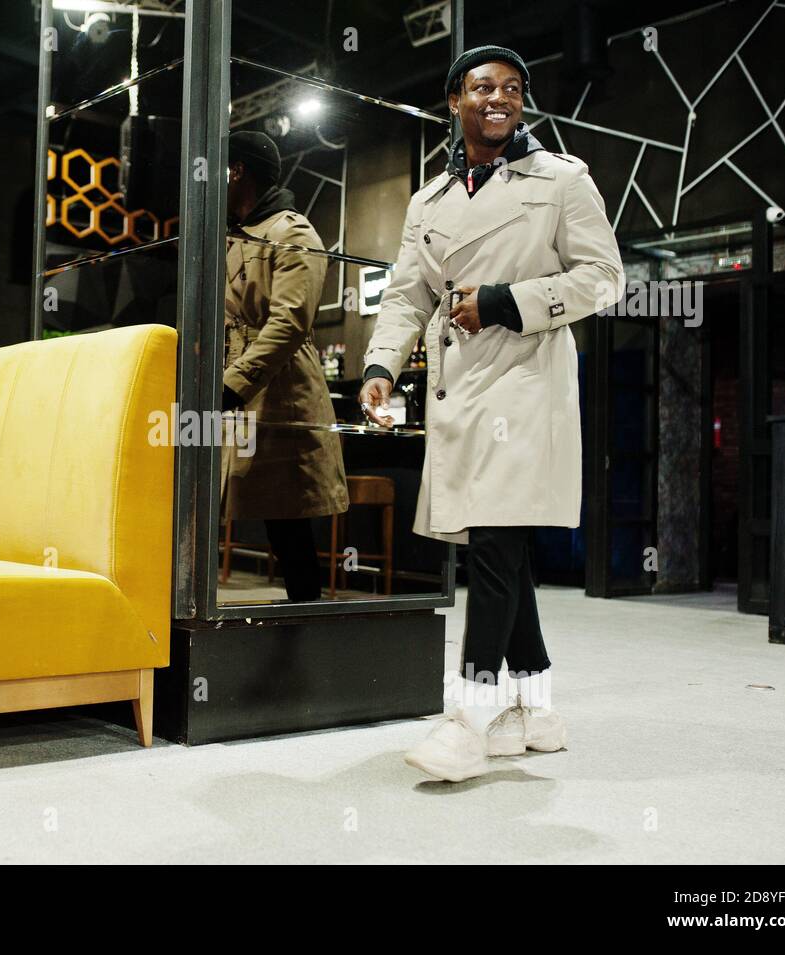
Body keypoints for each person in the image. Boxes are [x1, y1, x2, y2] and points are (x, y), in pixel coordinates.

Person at [359, 46, 624, 781]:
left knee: (498, 537)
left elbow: (606, 278)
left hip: (525, 383)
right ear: (455, 102)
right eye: (483, 88)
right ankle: (535, 707)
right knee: (495, 540)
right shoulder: (428, 200)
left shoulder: (563, 180)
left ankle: (472, 715)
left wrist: (508, 301)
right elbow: (410, 294)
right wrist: (382, 365)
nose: (499, 98)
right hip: (458, 386)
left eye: (513, 88)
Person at [221, 130, 349, 602]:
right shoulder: (236, 236)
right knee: (267, 516)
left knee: (288, 520)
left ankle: (306, 622)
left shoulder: (291, 232)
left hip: (279, 389)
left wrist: (232, 385)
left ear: (237, 171)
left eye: (219, 167)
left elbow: (290, 322)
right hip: (241, 385)